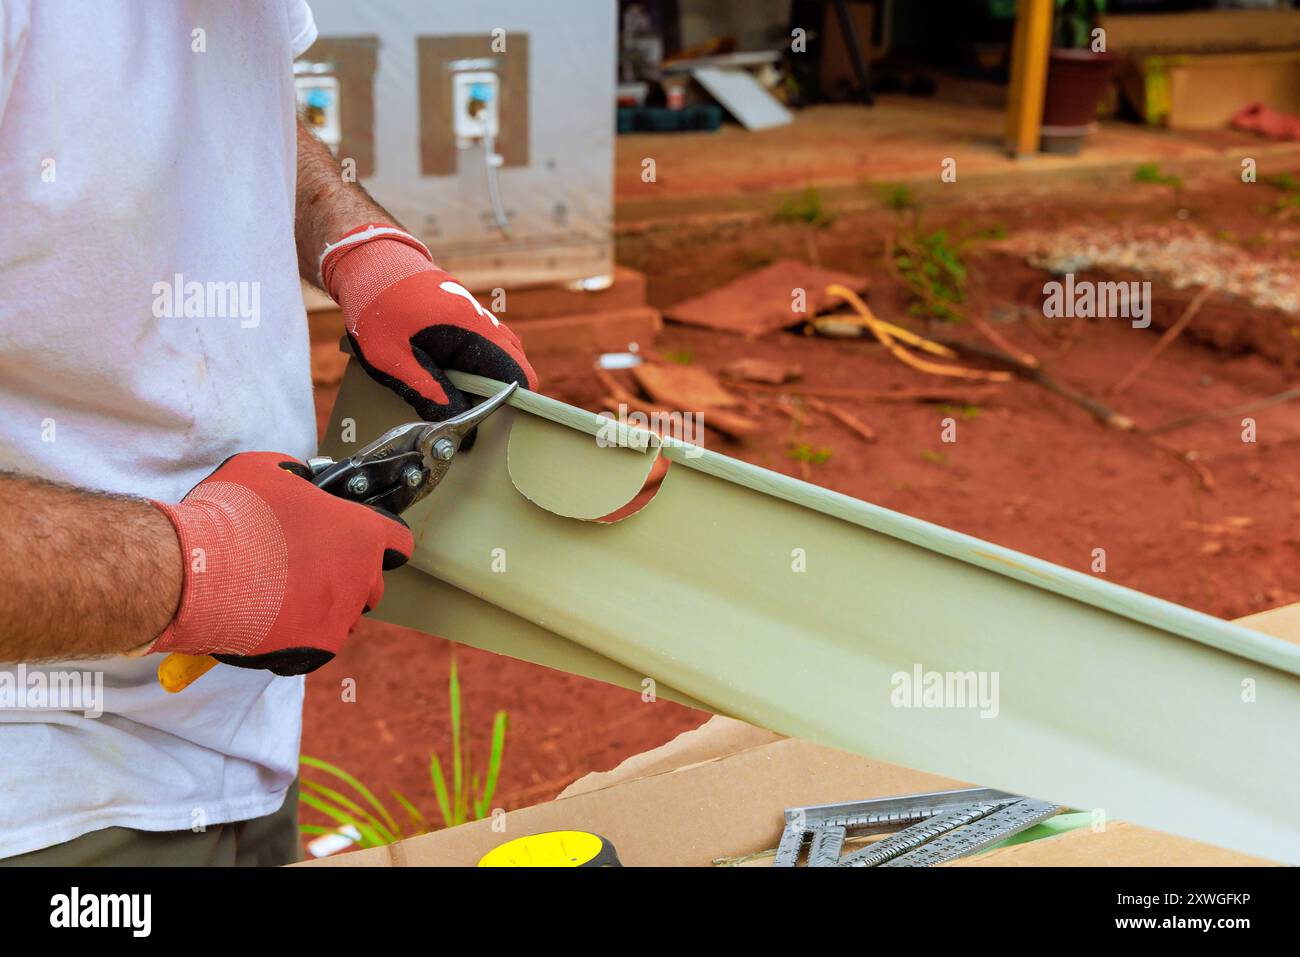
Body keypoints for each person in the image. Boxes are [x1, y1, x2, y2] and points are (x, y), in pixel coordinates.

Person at [0, 0, 535, 865]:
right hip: (50, 793)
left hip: (238, 736)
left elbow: (223, 111)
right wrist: (201, 568)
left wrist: (358, 242)